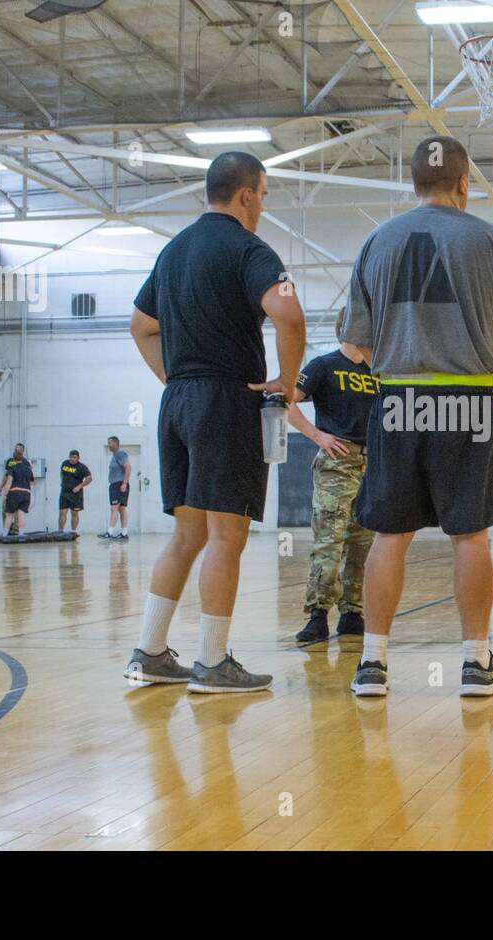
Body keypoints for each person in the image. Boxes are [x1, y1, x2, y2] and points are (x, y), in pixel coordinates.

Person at [341, 135, 493, 698]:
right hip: (469, 400)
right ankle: (477, 664)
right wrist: (480, 384)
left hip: (397, 400)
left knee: (389, 535)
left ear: (412, 183)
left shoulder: (377, 241)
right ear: (463, 182)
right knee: (469, 535)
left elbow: (355, 345)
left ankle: (372, 665)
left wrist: (399, 372)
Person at [123, 150, 305, 694]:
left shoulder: (173, 250)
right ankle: (211, 661)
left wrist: (176, 379)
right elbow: (289, 313)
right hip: (227, 401)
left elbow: (141, 326)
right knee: (228, 536)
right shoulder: (250, 248)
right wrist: (287, 380)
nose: (263, 206)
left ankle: (150, 652)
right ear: (247, 195)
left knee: (187, 534)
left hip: (177, 402)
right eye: (264, 196)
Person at [291, 310, 377, 644]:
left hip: (371, 465)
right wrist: (317, 436)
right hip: (336, 465)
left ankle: (352, 612)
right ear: (346, 327)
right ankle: (317, 614)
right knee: (329, 541)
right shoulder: (322, 366)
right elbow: (287, 402)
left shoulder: (378, 371)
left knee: (362, 543)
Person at [99, 436, 132, 539]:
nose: (108, 445)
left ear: (115, 443)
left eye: (109, 443)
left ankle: (109, 532)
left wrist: (124, 483)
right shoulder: (115, 455)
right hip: (116, 484)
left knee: (114, 508)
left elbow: (128, 466)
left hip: (119, 484)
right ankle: (124, 533)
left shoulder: (120, 453)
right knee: (121, 508)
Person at [0, 442, 33, 536]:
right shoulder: (11, 462)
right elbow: (6, 476)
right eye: (16, 449)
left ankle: (9, 534)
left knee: (11, 514)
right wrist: (1, 488)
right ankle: (17, 533)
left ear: (22, 451)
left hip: (14, 491)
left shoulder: (24, 463)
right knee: (15, 514)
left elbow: (9, 479)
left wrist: (5, 494)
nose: (17, 451)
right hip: (25, 492)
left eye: (18, 450)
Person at [58, 449, 92, 533]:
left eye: (74, 457)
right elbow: (61, 473)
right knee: (62, 512)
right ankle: (60, 531)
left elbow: (89, 478)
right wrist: (62, 482)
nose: (72, 459)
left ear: (78, 458)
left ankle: (73, 531)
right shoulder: (65, 463)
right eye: (71, 457)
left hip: (75, 494)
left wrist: (79, 487)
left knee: (74, 513)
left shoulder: (82, 467)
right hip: (64, 492)